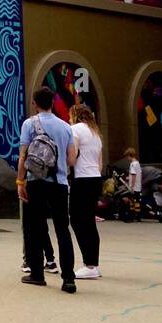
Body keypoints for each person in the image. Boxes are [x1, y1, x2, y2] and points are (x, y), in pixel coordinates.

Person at [18, 86, 79, 293]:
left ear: (35, 103)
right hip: (60, 184)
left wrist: (20, 182)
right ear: (53, 102)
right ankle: (68, 278)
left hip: (36, 181)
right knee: (63, 229)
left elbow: (23, 156)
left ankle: (37, 273)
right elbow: (71, 160)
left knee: (35, 227)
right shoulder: (65, 127)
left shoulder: (29, 124)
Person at [68, 104, 104, 279]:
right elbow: (100, 163)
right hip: (95, 178)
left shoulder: (75, 130)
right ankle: (93, 263)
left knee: (77, 220)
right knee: (89, 221)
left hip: (82, 179)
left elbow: (72, 158)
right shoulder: (96, 134)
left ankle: (89, 264)